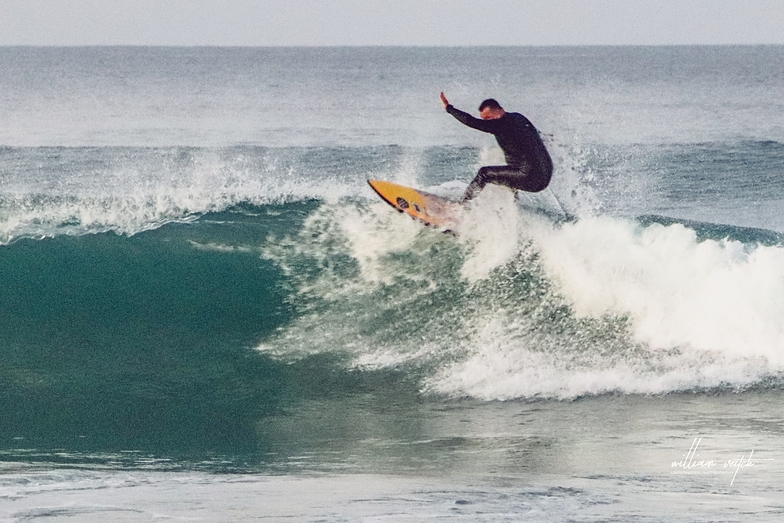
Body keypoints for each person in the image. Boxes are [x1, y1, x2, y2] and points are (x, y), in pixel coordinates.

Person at [440, 92, 553, 202]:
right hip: (546, 173)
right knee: (507, 177)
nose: (487, 123)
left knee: (484, 173)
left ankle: (462, 204)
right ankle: (510, 211)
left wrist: (448, 108)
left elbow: (470, 121)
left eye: (488, 118)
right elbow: (537, 134)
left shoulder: (500, 124)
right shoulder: (519, 117)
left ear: (499, 111)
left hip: (529, 176)